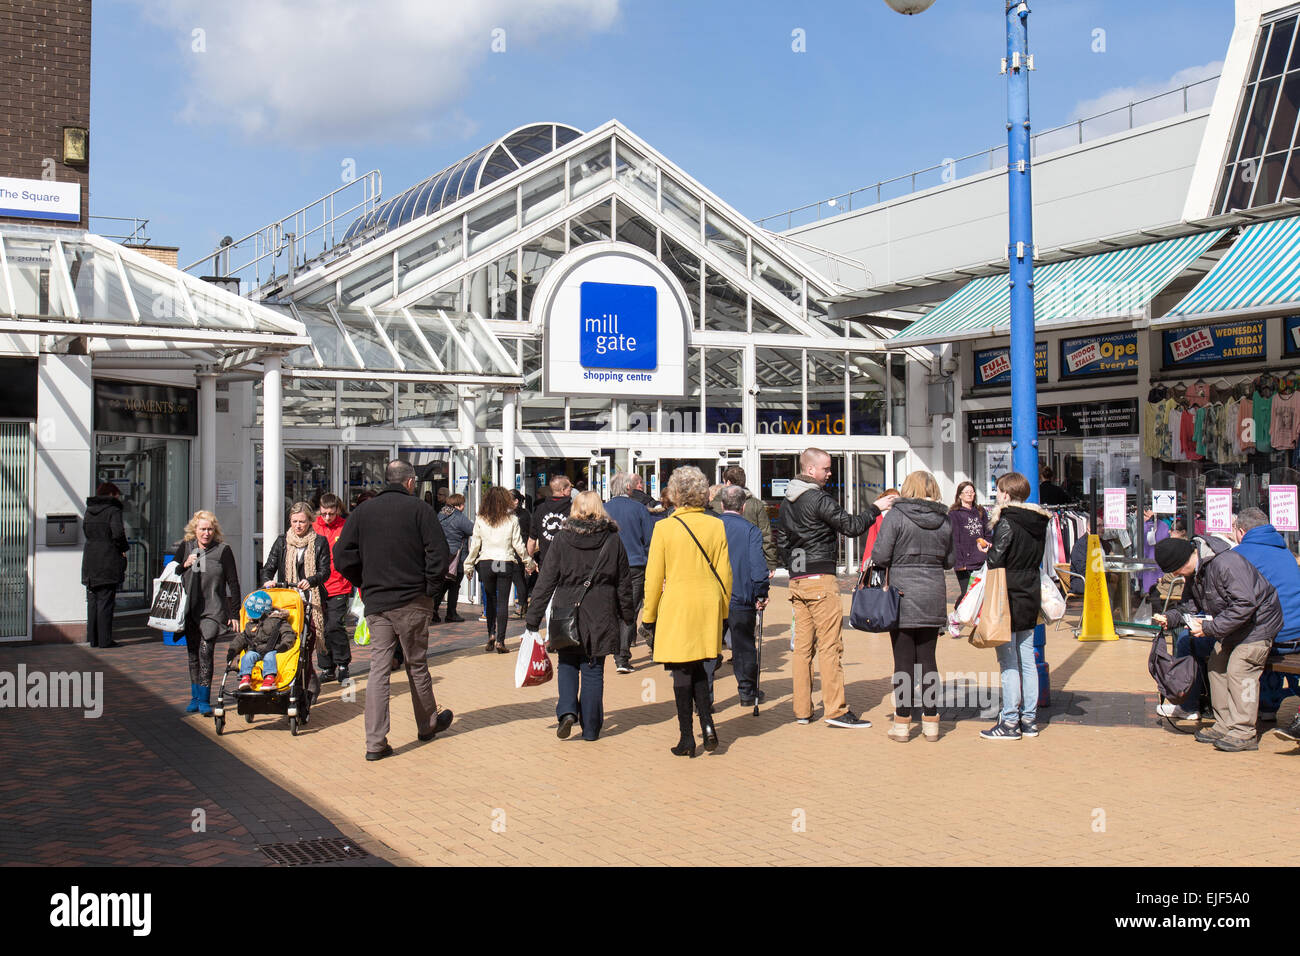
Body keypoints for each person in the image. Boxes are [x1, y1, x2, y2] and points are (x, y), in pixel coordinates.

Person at [332, 459, 453, 761]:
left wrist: (363, 581)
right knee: (416, 664)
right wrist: (430, 590)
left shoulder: (363, 512)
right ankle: (427, 724)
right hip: (413, 600)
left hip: (377, 602)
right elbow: (439, 553)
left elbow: (341, 554)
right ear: (410, 482)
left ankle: (375, 742)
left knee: (379, 670)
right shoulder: (420, 509)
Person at [776, 447, 896, 729]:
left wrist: (795, 568)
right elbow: (851, 526)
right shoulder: (818, 499)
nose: (830, 473)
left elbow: (782, 541)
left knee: (802, 649)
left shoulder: (787, 502)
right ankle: (836, 709)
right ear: (810, 469)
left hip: (798, 581)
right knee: (830, 646)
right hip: (820, 579)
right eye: (826, 468)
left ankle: (802, 709)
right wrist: (876, 508)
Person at [1153, 531, 1282, 752]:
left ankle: (1244, 731)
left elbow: (1245, 604)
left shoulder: (1226, 563)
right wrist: (1170, 618)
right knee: (1216, 665)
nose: (1175, 575)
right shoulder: (1196, 572)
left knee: (1241, 668)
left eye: (1175, 570)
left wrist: (1209, 628)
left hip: (1259, 626)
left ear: (1183, 561)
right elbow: (1190, 606)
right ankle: (1225, 724)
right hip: (1234, 627)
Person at [525, 492, 634, 741]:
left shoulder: (562, 539)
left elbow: (546, 580)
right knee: (593, 668)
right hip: (601, 612)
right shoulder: (613, 540)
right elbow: (623, 582)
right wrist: (627, 614)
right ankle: (591, 728)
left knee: (567, 663)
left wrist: (533, 618)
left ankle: (567, 711)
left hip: (566, 611)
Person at [641, 466, 731, 756]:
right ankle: (708, 726)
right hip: (708, 603)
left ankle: (687, 737)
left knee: (681, 670)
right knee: (701, 667)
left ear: (675, 494)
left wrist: (649, 616)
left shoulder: (664, 528)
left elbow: (654, 578)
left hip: (677, 605)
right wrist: (723, 611)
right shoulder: (716, 526)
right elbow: (725, 573)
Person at [872, 471, 955, 742]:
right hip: (933, 593)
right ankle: (931, 722)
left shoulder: (897, 515)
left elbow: (880, 555)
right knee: (928, 659)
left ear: (908, 488)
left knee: (903, 662)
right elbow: (950, 561)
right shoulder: (944, 519)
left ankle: (902, 723)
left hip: (902, 594)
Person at [979, 472, 1049, 741]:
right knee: (1027, 659)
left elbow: (996, 560)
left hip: (1007, 594)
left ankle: (1009, 721)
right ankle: (1029, 719)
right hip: (1030, 591)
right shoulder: (1039, 522)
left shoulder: (1006, 521)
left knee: (1008, 661)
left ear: (1006, 494)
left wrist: (989, 551)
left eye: (998, 491)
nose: (997, 495)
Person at [1228, 508, 1300, 724]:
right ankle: (1268, 704)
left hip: (1276, 637)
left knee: (1220, 647)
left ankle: (1237, 714)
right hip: (1296, 632)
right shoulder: (1285, 552)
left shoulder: (1240, 554)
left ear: (1241, 531)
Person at [175, 510, 241, 717]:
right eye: (202, 529)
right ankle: (194, 697)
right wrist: (185, 564)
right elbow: (172, 572)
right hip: (190, 609)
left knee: (206, 652)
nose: (206, 533)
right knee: (193, 654)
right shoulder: (186, 547)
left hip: (213, 609)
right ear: (194, 530)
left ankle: (204, 699)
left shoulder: (223, 550)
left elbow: (233, 582)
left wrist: (235, 613)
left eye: (210, 529)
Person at [717, 485, 770, 707]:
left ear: (722, 505)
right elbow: (757, 566)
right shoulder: (750, 530)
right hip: (741, 597)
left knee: (709, 649)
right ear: (744, 506)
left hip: (715, 598)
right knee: (744, 646)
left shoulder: (712, 527)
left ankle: (704, 699)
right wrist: (761, 593)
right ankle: (747, 692)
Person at [466, 486, 535, 653]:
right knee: (503, 602)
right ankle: (500, 641)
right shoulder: (512, 519)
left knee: (490, 599)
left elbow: (475, 545)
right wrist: (528, 562)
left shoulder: (481, 519)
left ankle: (491, 633)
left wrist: (468, 564)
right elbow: (518, 544)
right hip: (505, 561)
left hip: (486, 561)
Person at [261, 501, 331, 661]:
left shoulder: (319, 542)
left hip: (311, 599)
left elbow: (325, 571)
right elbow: (268, 568)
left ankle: (306, 672)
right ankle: (294, 674)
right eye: (294, 521)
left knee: (308, 639)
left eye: (302, 522)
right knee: (289, 639)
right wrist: (267, 581)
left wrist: (311, 580)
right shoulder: (282, 541)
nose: (298, 526)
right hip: (288, 598)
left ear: (310, 521)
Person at [605, 471, 656, 674]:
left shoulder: (604, 509)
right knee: (630, 609)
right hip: (635, 564)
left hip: (609, 565)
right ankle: (622, 656)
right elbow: (649, 540)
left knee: (613, 608)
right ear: (628, 487)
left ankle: (617, 652)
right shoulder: (639, 509)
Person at [81, 481, 128, 649]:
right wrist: (123, 548)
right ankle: (105, 640)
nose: (118, 498)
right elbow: (118, 533)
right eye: (116, 495)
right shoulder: (113, 510)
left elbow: (86, 531)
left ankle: (93, 639)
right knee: (106, 601)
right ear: (111, 495)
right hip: (108, 558)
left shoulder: (89, 510)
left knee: (93, 600)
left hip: (90, 558)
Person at [312, 493, 353, 682]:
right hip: (318, 585)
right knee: (320, 627)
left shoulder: (345, 527)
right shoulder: (314, 527)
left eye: (331, 513)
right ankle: (327, 667)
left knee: (335, 625)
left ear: (337, 510)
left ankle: (343, 663)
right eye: (324, 513)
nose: (327, 517)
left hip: (339, 584)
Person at [710, 465, 778, 571]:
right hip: (749, 561)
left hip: (721, 561)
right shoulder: (756, 504)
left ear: (728, 482)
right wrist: (770, 562)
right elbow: (766, 535)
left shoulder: (713, 505)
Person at [226, 590, 294, 692]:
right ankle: (245, 677)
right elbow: (241, 638)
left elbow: (288, 633)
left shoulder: (277, 621)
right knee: (247, 657)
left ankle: (270, 678)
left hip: (273, 649)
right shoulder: (250, 625)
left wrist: (285, 645)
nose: (248, 616)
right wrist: (232, 650)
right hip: (256, 650)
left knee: (269, 657)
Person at [948, 480, 989, 606]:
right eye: (966, 492)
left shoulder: (980, 511)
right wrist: (959, 562)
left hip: (981, 559)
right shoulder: (954, 514)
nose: (970, 494)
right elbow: (955, 539)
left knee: (980, 593)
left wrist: (988, 544)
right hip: (964, 561)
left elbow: (987, 532)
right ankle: (957, 613)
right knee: (967, 593)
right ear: (960, 495)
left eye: (972, 492)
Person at [435, 493, 473, 623]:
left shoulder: (441, 514)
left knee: (443, 584)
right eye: (463, 504)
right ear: (459, 505)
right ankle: (451, 613)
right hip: (457, 556)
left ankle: (434, 610)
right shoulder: (459, 517)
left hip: (443, 555)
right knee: (454, 585)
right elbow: (472, 530)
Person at [529, 475, 573, 567]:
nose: (571, 489)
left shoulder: (540, 509)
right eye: (570, 487)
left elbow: (532, 540)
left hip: (546, 563)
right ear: (563, 490)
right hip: (569, 564)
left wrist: (530, 561)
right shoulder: (574, 510)